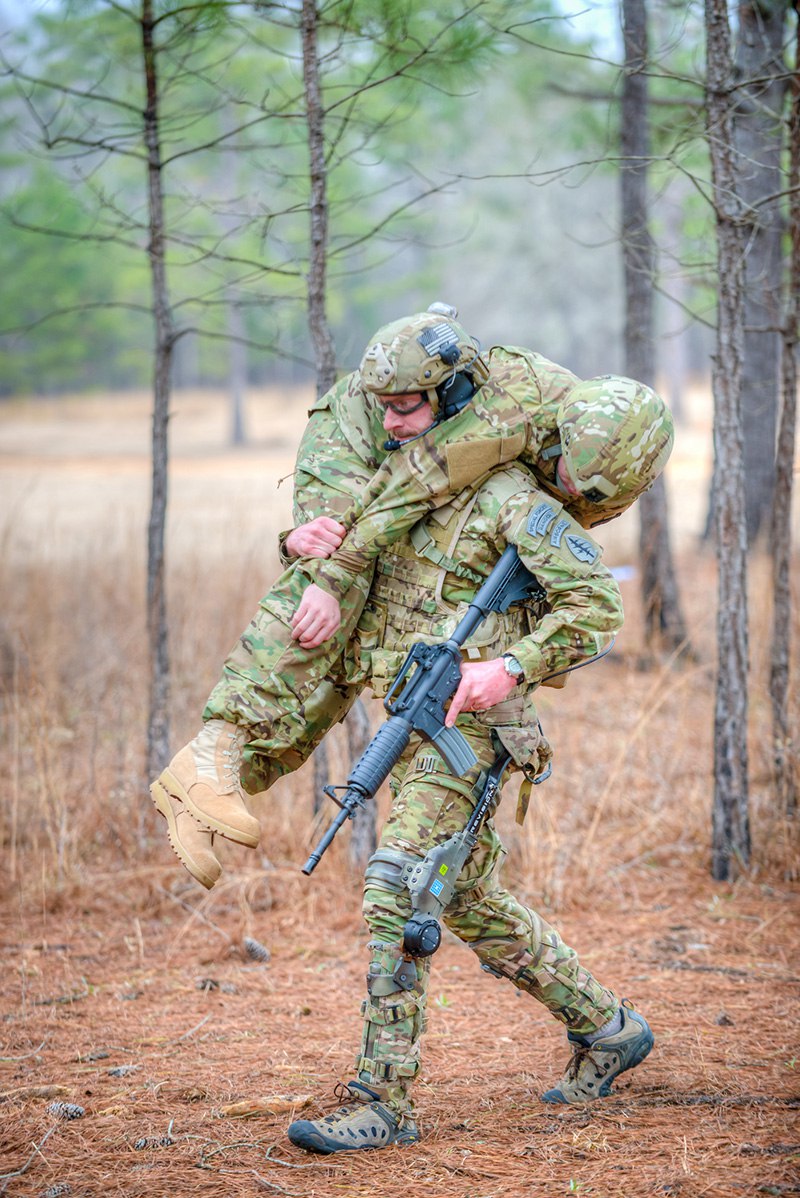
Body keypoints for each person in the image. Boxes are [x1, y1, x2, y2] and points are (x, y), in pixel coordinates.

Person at [150, 305, 675, 890]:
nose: (575, 491)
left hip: (415, 452)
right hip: (356, 442)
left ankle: (218, 781)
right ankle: (217, 747)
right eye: (570, 479)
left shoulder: (601, 440)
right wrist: (327, 573)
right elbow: (407, 490)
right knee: (339, 580)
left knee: (356, 652)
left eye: (591, 491)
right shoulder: (496, 413)